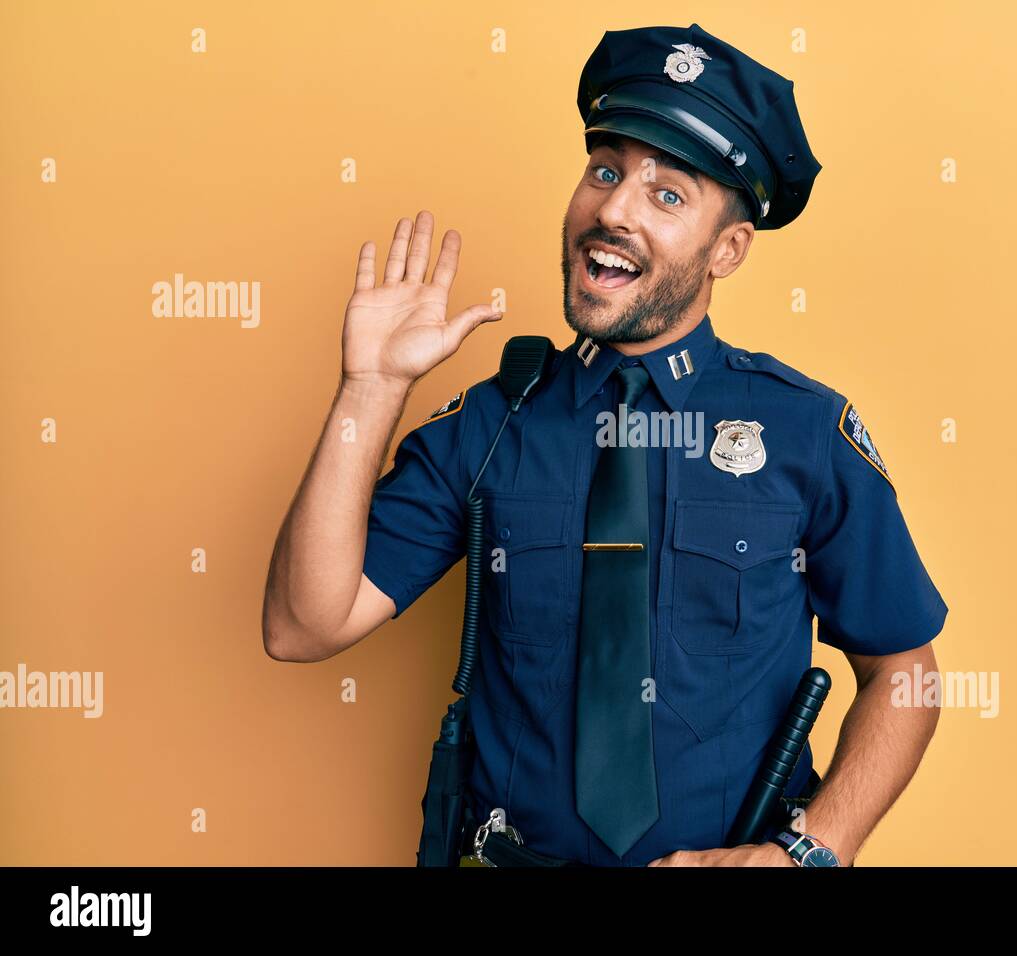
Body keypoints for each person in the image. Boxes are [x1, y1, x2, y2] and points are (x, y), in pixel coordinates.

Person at [262, 23, 948, 868]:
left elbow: (906, 673)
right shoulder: (492, 422)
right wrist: (370, 391)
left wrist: (811, 852)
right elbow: (303, 624)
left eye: (668, 195)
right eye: (606, 170)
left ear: (727, 249)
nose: (613, 209)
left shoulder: (805, 431)